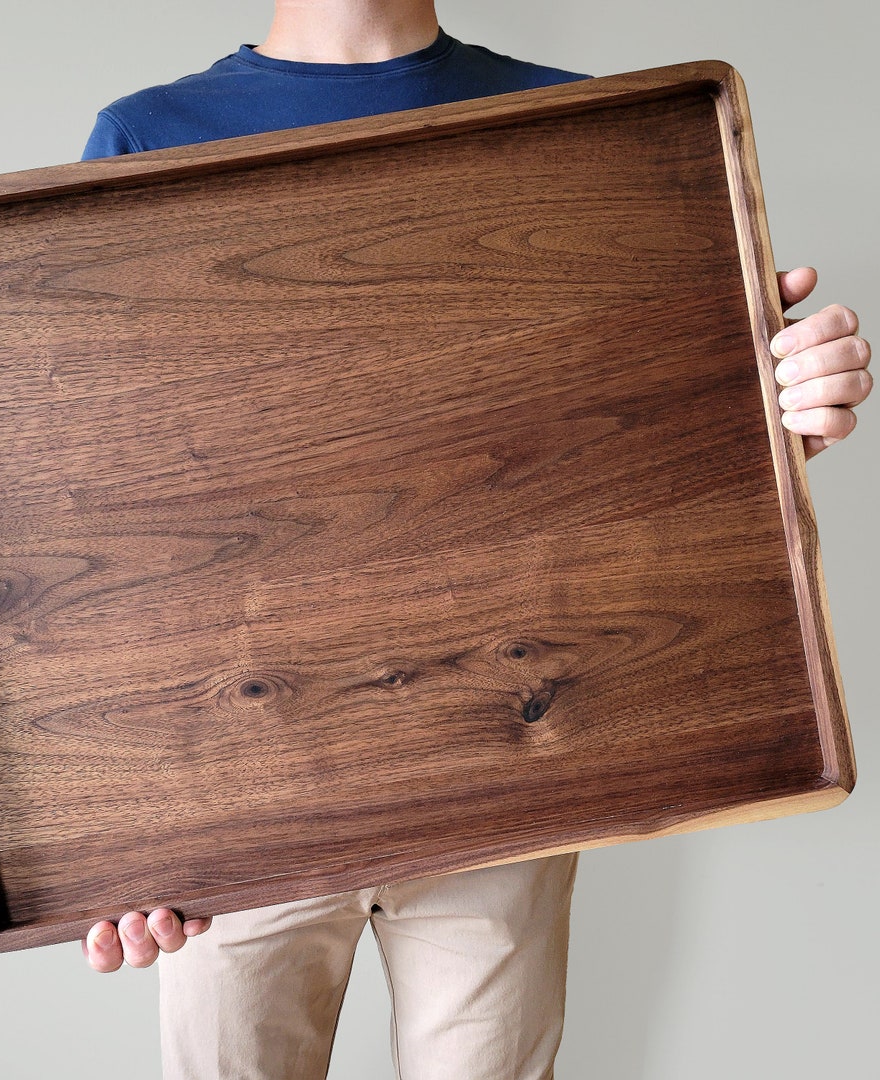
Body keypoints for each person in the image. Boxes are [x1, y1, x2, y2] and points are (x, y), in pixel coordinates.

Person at [79, 3, 873, 1077]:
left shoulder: (576, 128)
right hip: (245, 799)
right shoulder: (146, 138)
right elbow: (107, 520)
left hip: (507, 772)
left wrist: (774, 427)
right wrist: (109, 830)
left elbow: (609, 463)